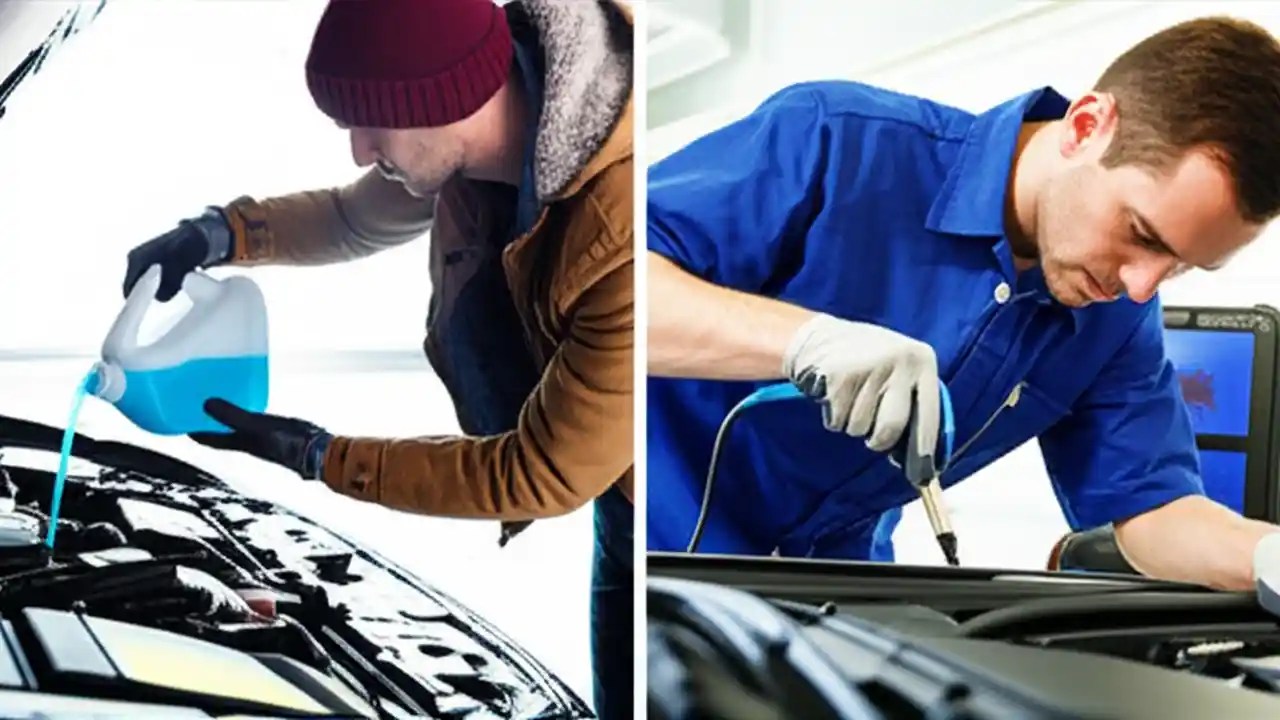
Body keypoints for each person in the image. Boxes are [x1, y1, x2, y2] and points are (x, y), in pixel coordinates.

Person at [119, 0, 635, 716]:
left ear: (445, 103)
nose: (361, 150)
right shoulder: (491, 113)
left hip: (649, 496)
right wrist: (217, 234)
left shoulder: (619, 234)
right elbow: (351, 217)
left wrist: (321, 456)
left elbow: (540, 472)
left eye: (371, 123)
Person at [646, 15, 1280, 592]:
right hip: (657, 547)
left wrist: (1265, 554)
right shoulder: (834, 139)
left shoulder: (1116, 317)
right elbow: (624, 292)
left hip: (834, 585)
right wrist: (803, 341)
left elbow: (1155, 510)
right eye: (1141, 234)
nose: (1142, 286)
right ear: (1087, 127)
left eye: (1183, 266)